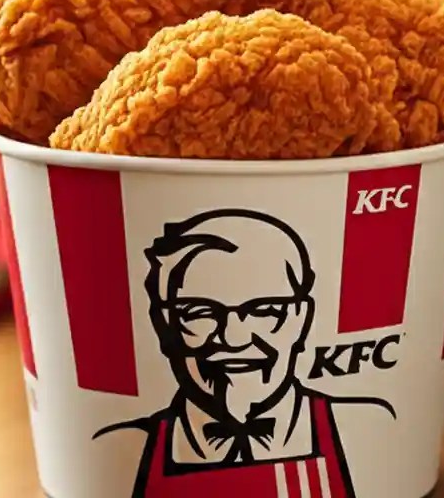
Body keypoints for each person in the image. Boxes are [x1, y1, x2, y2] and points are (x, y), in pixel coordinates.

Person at [96, 209, 393, 498]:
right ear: (162, 324)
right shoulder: (123, 445)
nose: (234, 339)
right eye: (200, 312)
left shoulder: (362, 424)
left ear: (301, 319)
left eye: (264, 310)